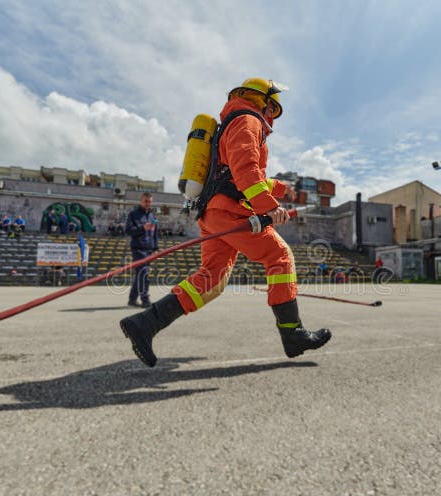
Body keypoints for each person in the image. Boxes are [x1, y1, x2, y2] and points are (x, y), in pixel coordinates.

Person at [120, 78, 330, 367]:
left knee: (212, 279)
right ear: (261, 101)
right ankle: (292, 335)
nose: (272, 118)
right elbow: (246, 170)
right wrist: (270, 208)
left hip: (213, 213)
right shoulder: (248, 120)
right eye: (272, 109)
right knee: (280, 257)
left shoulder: (233, 122)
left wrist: (280, 188)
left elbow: (235, 172)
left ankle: (145, 323)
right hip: (230, 211)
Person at [124, 192, 158, 307]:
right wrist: (142, 228)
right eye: (146, 201)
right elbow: (128, 231)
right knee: (144, 274)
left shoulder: (152, 216)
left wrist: (155, 248)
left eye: (150, 201)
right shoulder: (133, 214)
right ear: (141, 201)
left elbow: (155, 234)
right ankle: (145, 300)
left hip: (149, 249)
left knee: (140, 274)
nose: (148, 203)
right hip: (138, 249)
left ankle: (132, 299)